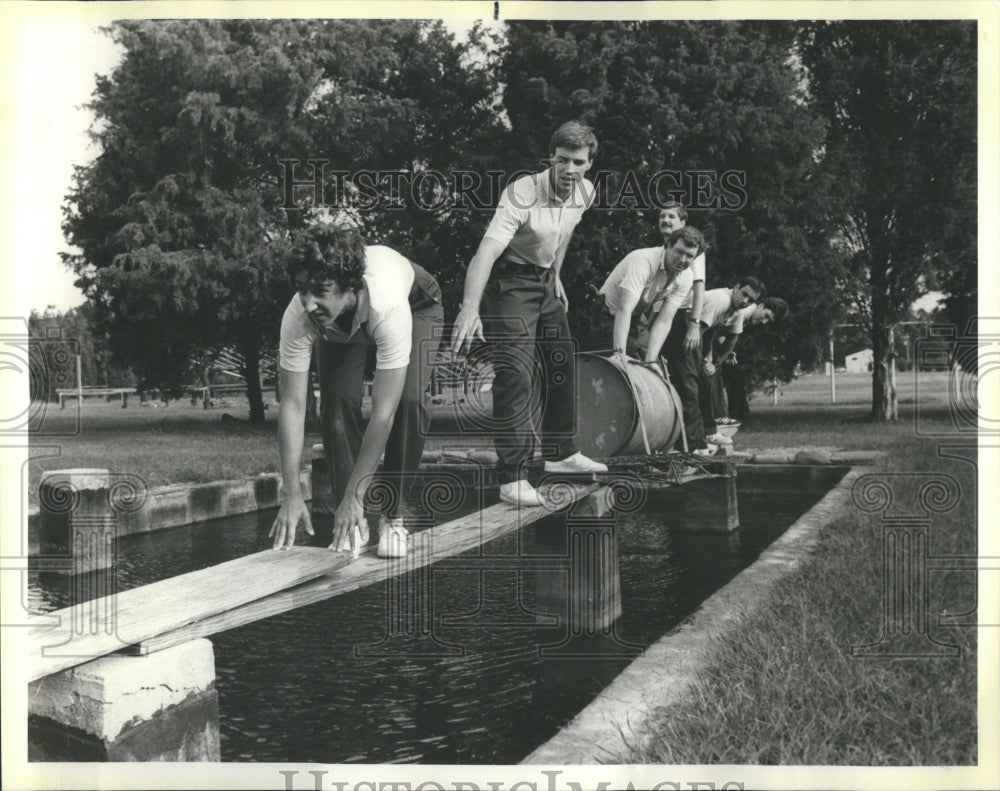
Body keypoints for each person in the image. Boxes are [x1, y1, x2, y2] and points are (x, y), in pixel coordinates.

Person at [451, 121, 607, 507]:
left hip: (544, 283)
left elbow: (565, 231)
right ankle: (512, 478)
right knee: (516, 374)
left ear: (589, 163)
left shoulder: (585, 192)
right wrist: (469, 307)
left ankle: (560, 453)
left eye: (579, 162)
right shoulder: (521, 193)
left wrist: (556, 273)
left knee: (562, 361)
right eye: (562, 160)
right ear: (550, 158)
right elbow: (486, 252)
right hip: (510, 284)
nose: (569, 169)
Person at [270, 223, 443, 558]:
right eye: (303, 291)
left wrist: (357, 492)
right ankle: (352, 522)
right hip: (347, 318)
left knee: (409, 402)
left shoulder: (387, 306)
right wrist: (291, 492)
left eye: (320, 291)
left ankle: (393, 518)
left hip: (417, 303)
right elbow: (292, 405)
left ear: (348, 286)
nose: (309, 303)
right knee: (335, 404)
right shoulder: (300, 315)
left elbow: (383, 413)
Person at [645, 276, 765, 454]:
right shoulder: (721, 301)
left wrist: (713, 362)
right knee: (688, 385)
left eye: (751, 300)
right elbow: (696, 331)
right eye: (744, 294)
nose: (745, 301)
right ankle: (691, 444)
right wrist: (696, 361)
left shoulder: (736, 310)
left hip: (694, 331)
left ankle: (707, 432)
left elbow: (726, 337)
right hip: (677, 323)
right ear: (736, 287)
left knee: (705, 378)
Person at [594, 226, 704, 359]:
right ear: (669, 246)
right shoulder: (644, 261)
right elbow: (624, 309)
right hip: (607, 314)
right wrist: (619, 354)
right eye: (679, 252)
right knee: (629, 362)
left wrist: (651, 360)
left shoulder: (686, 276)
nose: (683, 259)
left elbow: (664, 321)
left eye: (689, 256)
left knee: (654, 364)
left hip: (635, 318)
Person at [701, 297, 790, 446]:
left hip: (706, 336)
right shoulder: (742, 312)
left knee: (717, 369)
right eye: (766, 316)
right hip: (694, 330)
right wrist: (710, 358)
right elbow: (711, 329)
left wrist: (724, 350)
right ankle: (713, 423)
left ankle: (717, 418)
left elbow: (720, 332)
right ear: (761, 305)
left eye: (768, 321)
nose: (763, 322)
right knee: (710, 371)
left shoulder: (745, 318)